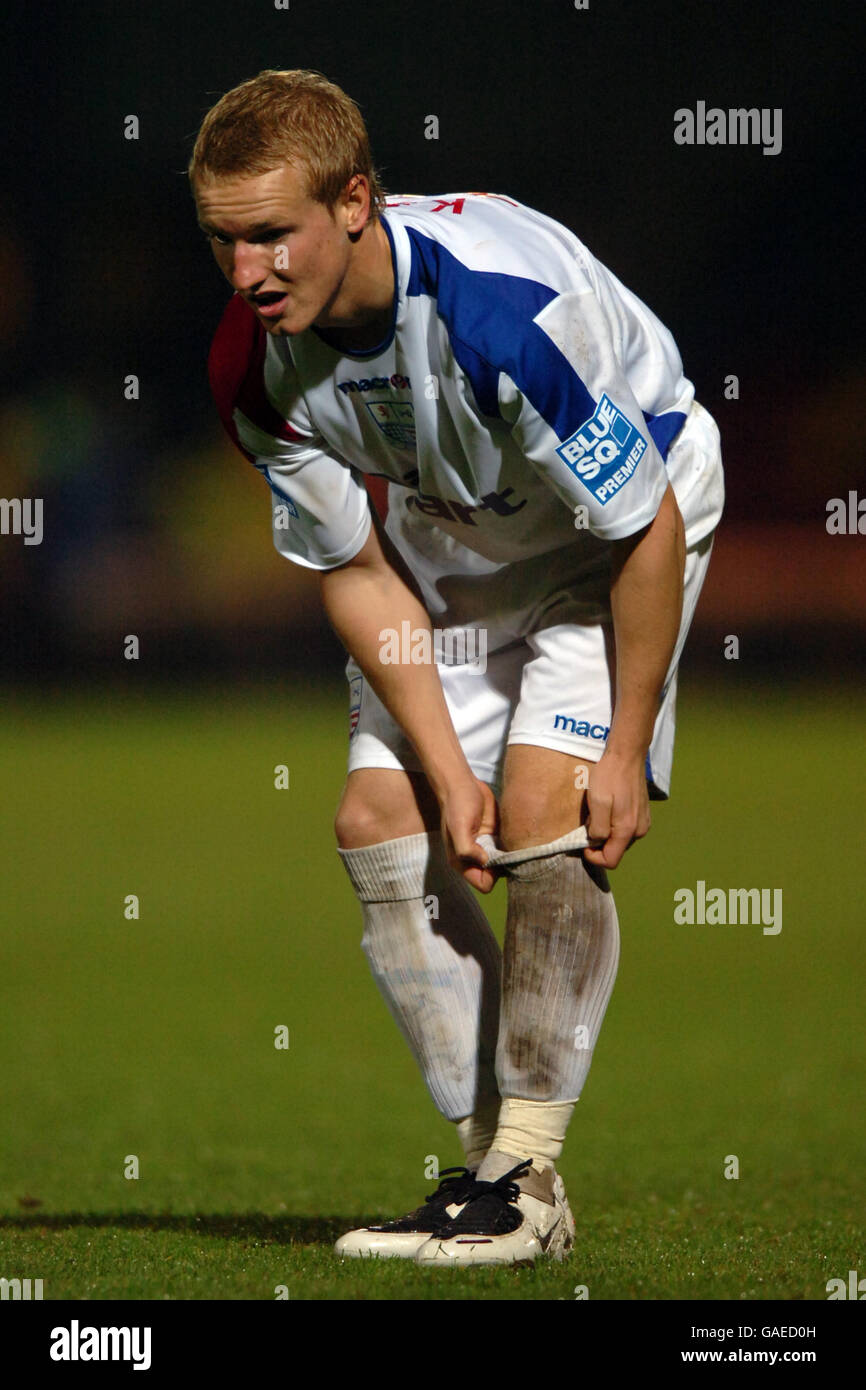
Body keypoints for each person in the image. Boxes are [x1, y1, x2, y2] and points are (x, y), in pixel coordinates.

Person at [190, 68, 724, 1267]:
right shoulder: (252, 371)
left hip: (619, 530)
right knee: (379, 821)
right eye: (222, 241)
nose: (245, 273)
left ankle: (521, 1181)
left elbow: (641, 527)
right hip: (453, 542)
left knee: (550, 805)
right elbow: (355, 568)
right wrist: (441, 770)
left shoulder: (501, 314)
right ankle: (496, 1170)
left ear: (356, 203)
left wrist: (626, 751)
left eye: (271, 235)